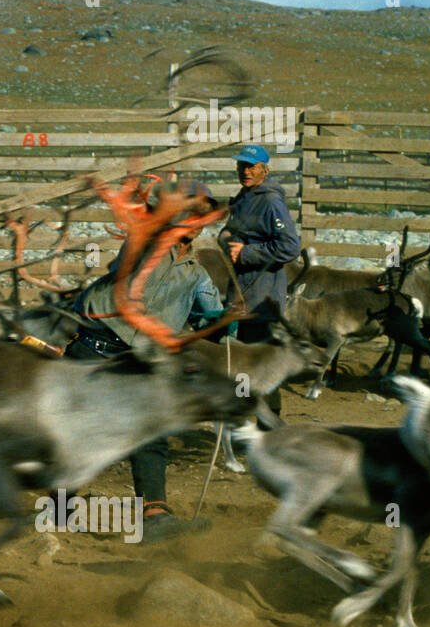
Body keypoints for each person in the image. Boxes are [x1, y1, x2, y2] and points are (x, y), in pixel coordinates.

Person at [67, 181, 224, 543]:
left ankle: (154, 514)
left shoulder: (197, 274)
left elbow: (209, 320)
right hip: (95, 347)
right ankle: (60, 505)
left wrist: (227, 320)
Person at [218, 144, 301, 418]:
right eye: (242, 165)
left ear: (265, 170)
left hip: (262, 298)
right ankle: (244, 417)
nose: (246, 171)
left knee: (261, 364)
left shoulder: (270, 202)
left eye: (252, 166)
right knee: (242, 361)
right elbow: (235, 231)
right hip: (242, 293)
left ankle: (270, 424)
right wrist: (227, 238)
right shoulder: (244, 197)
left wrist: (247, 253)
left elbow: (290, 247)